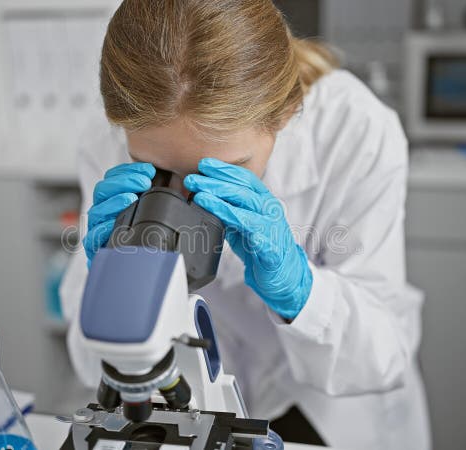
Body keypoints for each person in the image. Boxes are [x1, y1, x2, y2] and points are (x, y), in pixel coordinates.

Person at [59, 1, 431, 448]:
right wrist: (110, 285)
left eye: (227, 169)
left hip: (329, 410)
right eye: (157, 170)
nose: (191, 199)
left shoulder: (354, 130)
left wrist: (302, 291)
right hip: (192, 401)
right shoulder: (107, 142)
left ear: (286, 114)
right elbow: (90, 360)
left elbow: (384, 353)